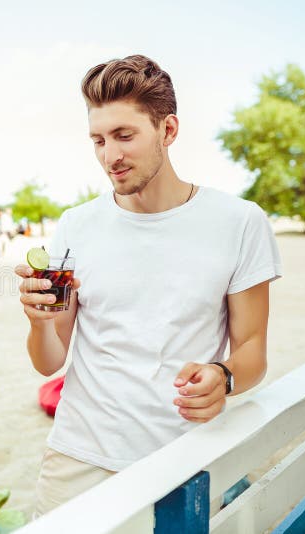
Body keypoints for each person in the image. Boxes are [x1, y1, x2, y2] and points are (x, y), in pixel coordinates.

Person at [16, 54, 282, 515]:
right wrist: (39, 323)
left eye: (124, 136)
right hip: (79, 457)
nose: (109, 156)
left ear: (168, 130)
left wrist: (224, 376)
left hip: (186, 457)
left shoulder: (240, 222)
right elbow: (49, 362)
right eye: (98, 140)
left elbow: (253, 351)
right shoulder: (76, 225)